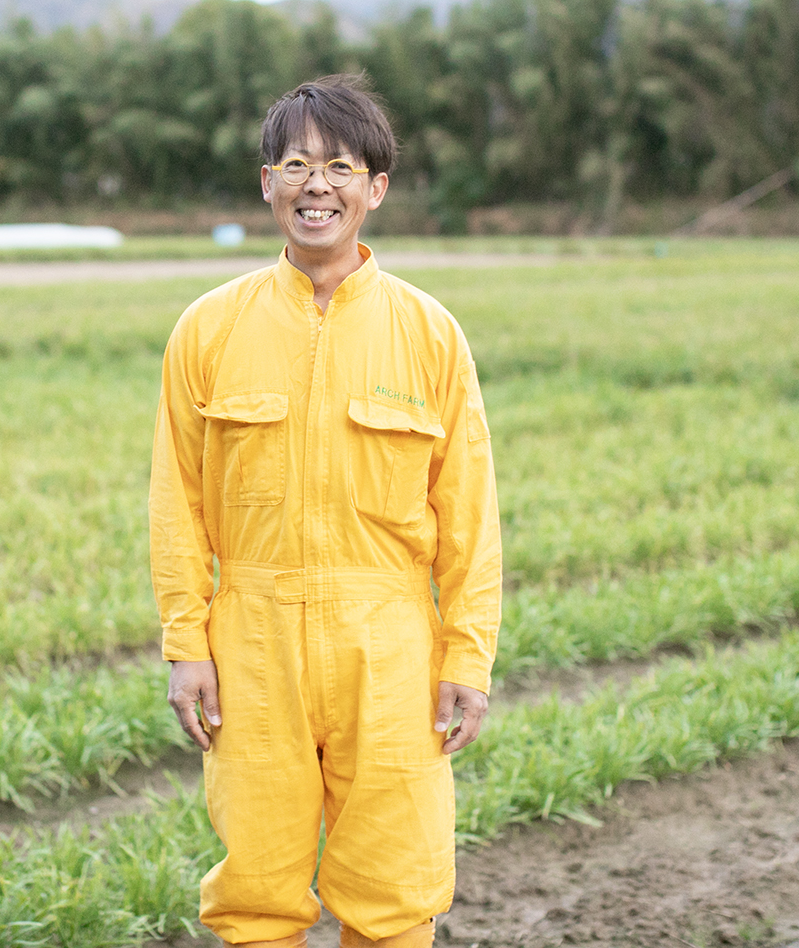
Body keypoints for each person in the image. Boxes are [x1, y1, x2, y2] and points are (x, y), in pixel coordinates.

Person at [148, 76, 504, 947]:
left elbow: (468, 513)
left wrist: (469, 654)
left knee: (392, 892)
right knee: (257, 895)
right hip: (252, 645)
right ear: (266, 182)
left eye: (340, 165)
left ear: (374, 189)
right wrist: (187, 644)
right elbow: (178, 503)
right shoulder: (208, 329)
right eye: (297, 164)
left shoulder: (429, 333)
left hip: (388, 648)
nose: (318, 185)